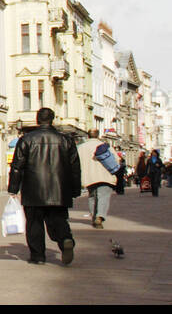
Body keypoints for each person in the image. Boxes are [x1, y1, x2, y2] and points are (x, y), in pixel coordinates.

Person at [7, 107, 82, 265]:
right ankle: (65, 240)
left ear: (37, 119)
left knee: (34, 224)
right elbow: (74, 167)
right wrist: (75, 189)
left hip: (33, 190)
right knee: (58, 221)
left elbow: (17, 166)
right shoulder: (66, 140)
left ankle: (38, 256)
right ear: (52, 120)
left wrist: (13, 188)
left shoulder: (26, 139)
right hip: (59, 190)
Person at [77, 129, 117, 229]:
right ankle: (100, 216)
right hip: (105, 175)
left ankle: (94, 216)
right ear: (98, 135)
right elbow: (116, 159)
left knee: (92, 196)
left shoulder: (81, 147)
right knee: (103, 196)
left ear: (88, 136)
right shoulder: (105, 146)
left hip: (89, 177)